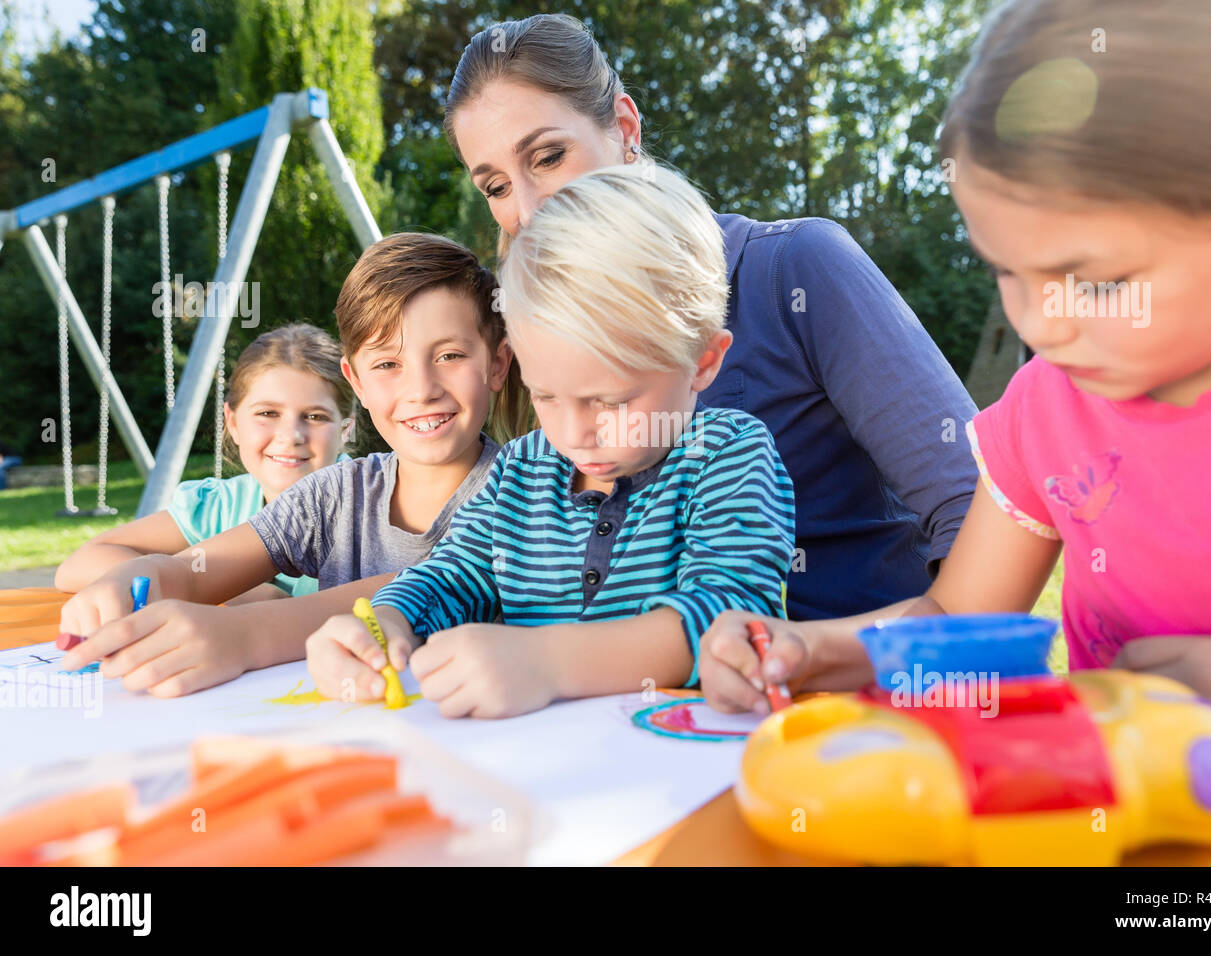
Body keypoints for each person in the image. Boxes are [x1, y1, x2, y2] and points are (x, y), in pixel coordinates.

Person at [696, 0, 1211, 764]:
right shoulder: (1047, 409)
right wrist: (806, 652)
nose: (1040, 325)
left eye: (1098, 282)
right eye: (1008, 271)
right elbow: (956, 621)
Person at [443, 13, 979, 621]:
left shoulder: (794, 268)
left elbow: (979, 507)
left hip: (854, 690)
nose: (528, 210)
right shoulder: (536, 326)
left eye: (547, 156)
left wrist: (864, 661)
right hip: (656, 706)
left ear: (624, 128)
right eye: (495, 187)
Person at [306, 165, 796, 718]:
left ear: (703, 360)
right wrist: (379, 624)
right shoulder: (520, 469)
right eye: (547, 396)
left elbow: (727, 618)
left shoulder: (727, 454)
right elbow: (448, 575)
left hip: (678, 774)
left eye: (611, 403)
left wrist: (546, 662)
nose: (573, 433)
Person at [57, 233, 528, 695]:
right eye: (387, 364)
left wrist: (240, 633)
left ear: (497, 364)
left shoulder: (526, 491)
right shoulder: (334, 494)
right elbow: (195, 570)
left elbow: (417, 586)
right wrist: (139, 578)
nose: (422, 388)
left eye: (449, 355)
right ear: (356, 382)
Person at [55, 324, 352, 599]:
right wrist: (237, 591)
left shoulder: (369, 510)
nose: (290, 436)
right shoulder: (219, 507)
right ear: (232, 423)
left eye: (315, 417)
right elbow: (78, 566)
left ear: (344, 430)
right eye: (267, 413)